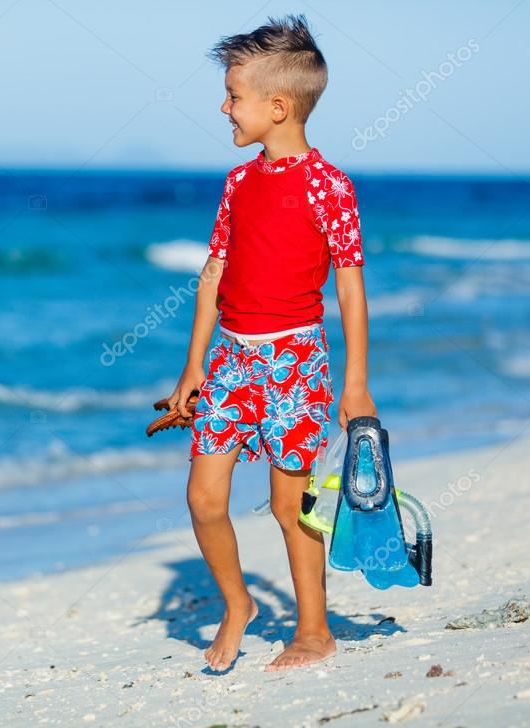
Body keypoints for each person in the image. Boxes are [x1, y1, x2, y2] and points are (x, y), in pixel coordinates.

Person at [168, 14, 377, 673]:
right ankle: (240, 605)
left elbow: (349, 291)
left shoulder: (329, 187)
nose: (223, 107)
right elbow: (214, 273)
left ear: (278, 107)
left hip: (294, 363)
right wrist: (193, 367)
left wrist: (355, 384)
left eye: (233, 96)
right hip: (230, 360)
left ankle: (313, 630)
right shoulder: (237, 183)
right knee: (203, 498)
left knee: (291, 507)